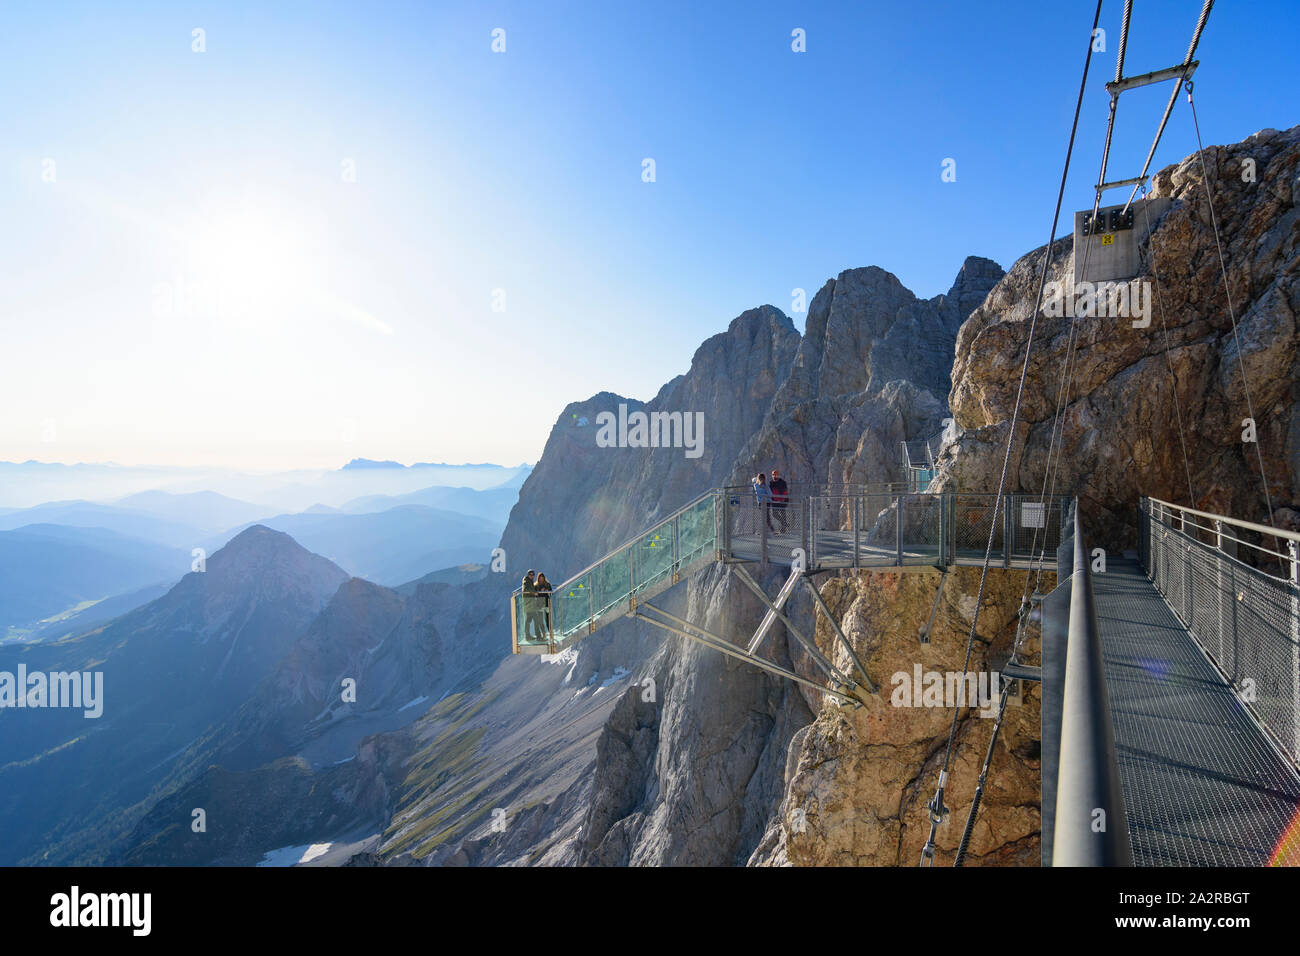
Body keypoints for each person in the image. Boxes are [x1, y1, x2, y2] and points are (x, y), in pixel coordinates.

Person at [521, 570, 541, 642]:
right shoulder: (526, 580)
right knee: (536, 619)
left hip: (529, 604)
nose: (532, 576)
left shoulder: (530, 580)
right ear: (528, 574)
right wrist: (534, 593)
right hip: (529, 604)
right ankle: (538, 637)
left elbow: (530, 588)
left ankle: (528, 636)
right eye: (530, 574)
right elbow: (526, 588)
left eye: (533, 574)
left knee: (528, 621)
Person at [534, 571, 554, 640]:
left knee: (548, 619)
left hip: (546, 603)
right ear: (538, 579)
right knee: (540, 620)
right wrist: (539, 592)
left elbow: (551, 592)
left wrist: (546, 590)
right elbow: (535, 595)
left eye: (542, 578)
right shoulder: (536, 585)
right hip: (539, 604)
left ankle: (551, 634)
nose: (541, 580)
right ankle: (543, 634)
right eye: (540, 578)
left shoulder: (547, 584)